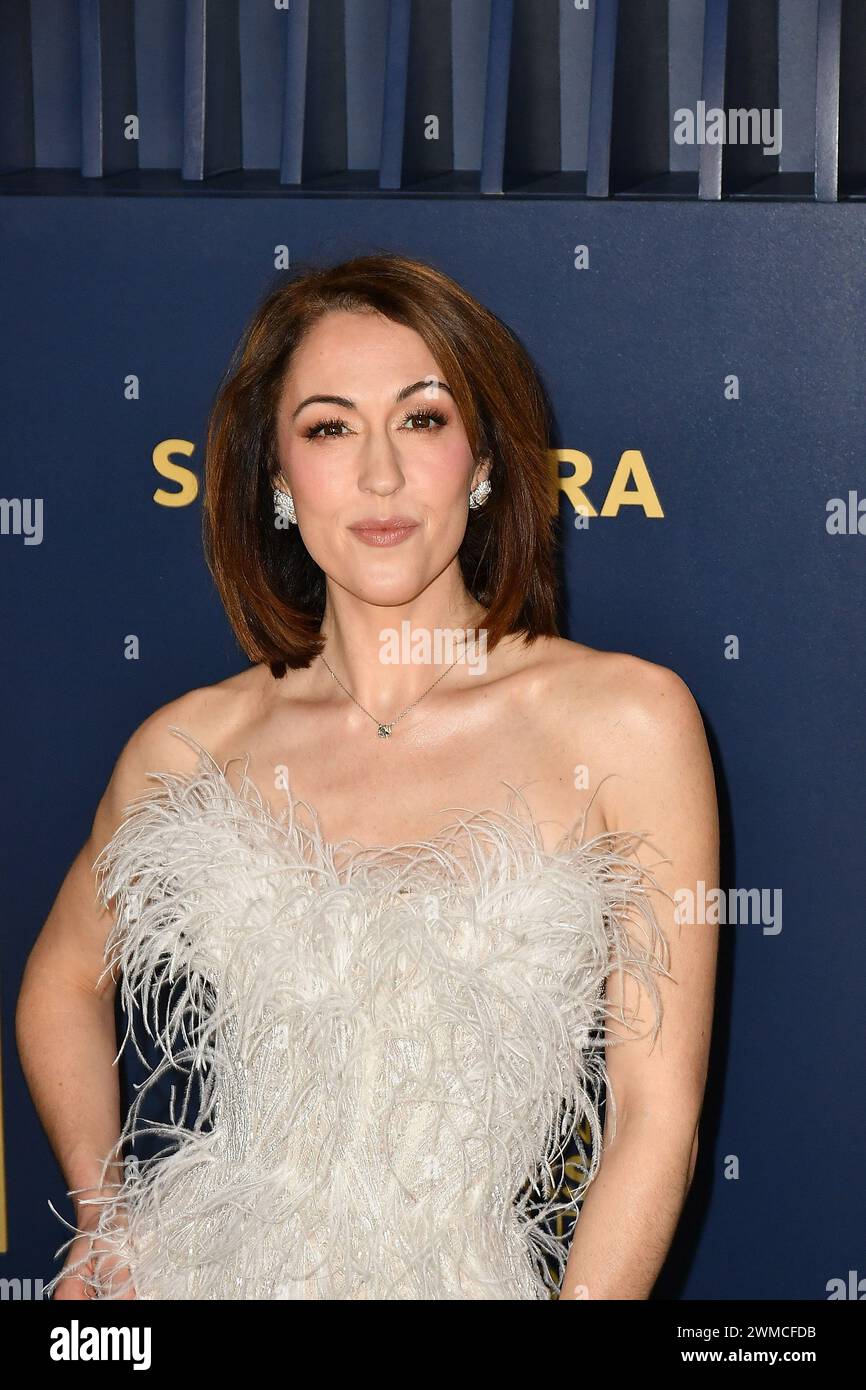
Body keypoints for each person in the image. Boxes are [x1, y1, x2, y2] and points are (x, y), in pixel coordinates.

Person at [17, 252, 719, 1301]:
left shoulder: (627, 721)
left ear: (480, 460)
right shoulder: (189, 745)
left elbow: (653, 1113)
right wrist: (104, 1219)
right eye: (330, 427)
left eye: (422, 419)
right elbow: (61, 982)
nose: (380, 475)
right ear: (276, 478)